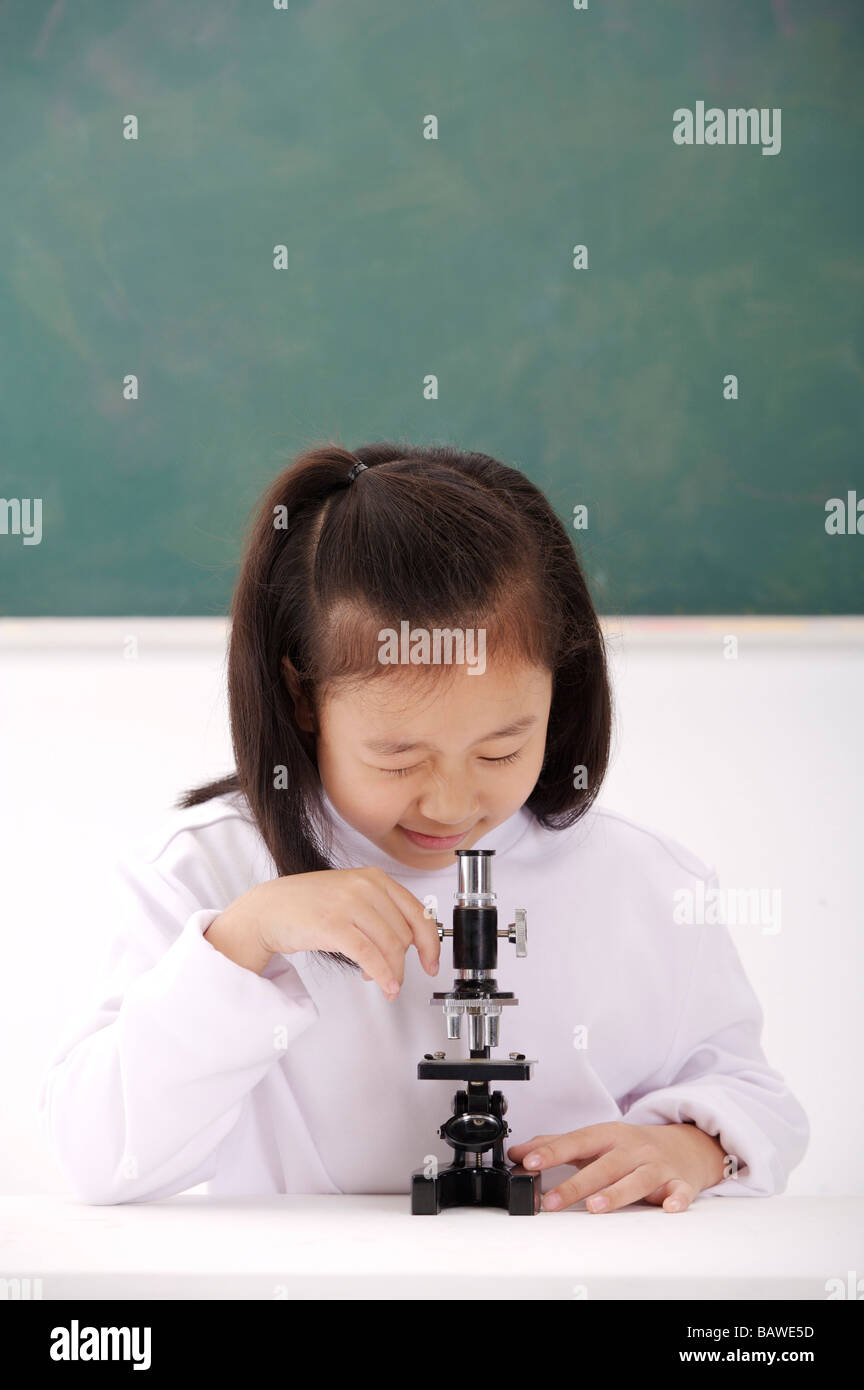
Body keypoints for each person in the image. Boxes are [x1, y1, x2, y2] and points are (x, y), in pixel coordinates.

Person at [38, 441, 809, 1212]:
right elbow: (99, 1158)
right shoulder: (208, 872)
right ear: (303, 699)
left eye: (501, 749)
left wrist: (696, 1145)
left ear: (560, 686)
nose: (450, 804)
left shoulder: (649, 882)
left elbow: (752, 1092)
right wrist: (243, 941)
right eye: (398, 758)